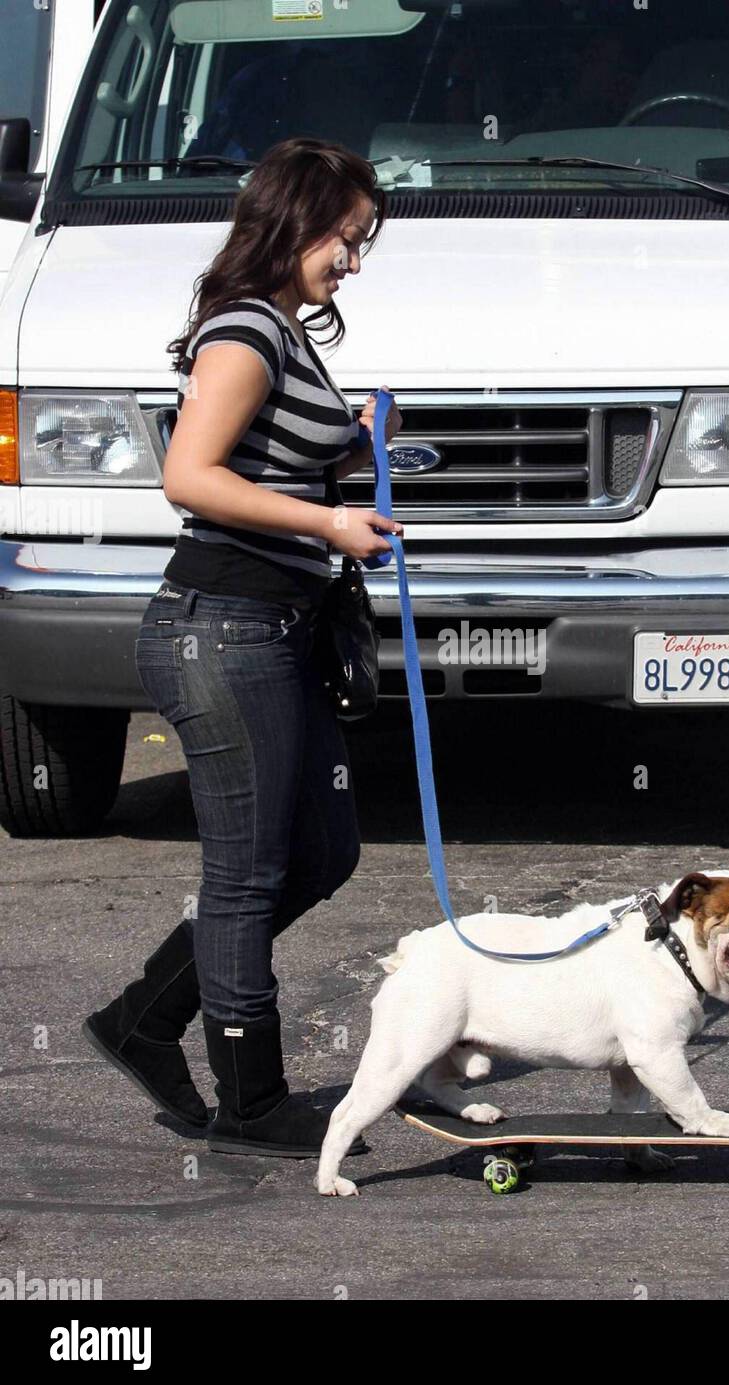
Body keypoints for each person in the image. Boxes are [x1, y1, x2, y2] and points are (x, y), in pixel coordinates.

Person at [83, 138, 403, 1159]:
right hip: (222, 633)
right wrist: (329, 527)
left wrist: (350, 444)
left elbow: (269, 456)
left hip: (276, 630)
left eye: (359, 244)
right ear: (294, 224)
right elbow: (190, 476)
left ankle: (144, 1014)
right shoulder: (243, 335)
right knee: (250, 871)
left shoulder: (287, 334)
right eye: (345, 241)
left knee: (321, 851)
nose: (352, 262)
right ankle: (251, 1100)